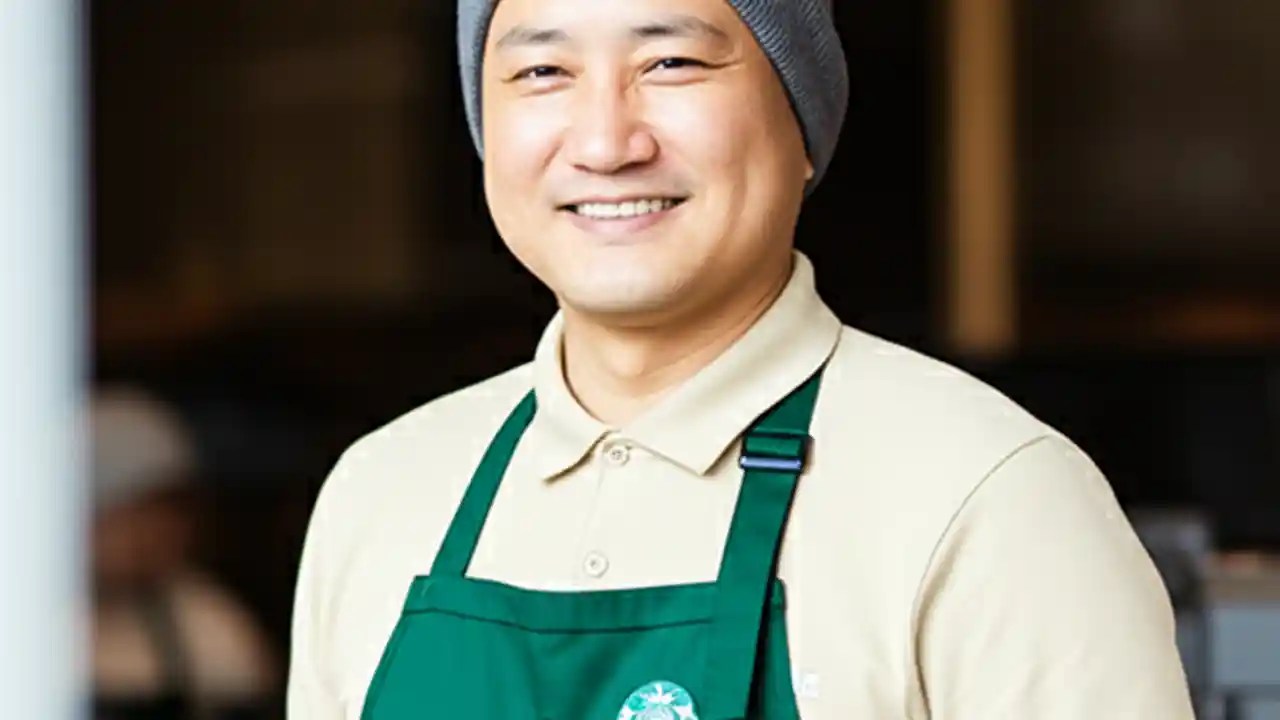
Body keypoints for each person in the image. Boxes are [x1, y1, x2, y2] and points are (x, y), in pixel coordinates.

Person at [287, 0, 1196, 717]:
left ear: (801, 120)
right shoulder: (384, 492)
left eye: (672, 61)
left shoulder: (988, 493)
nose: (606, 143)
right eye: (542, 70)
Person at [92, 385, 277, 720]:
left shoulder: (211, 623)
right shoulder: (19, 626)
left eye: (169, 513)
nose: (151, 535)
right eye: (129, 513)